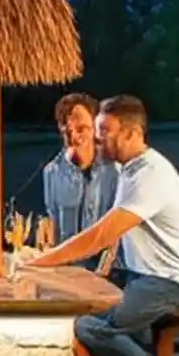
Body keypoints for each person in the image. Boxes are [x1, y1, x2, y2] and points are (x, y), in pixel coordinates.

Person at [22, 94, 179, 356]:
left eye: (104, 131)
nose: (97, 137)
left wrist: (46, 260)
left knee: (92, 327)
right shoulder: (131, 170)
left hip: (172, 281)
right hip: (143, 277)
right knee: (96, 325)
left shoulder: (150, 174)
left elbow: (103, 234)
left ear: (133, 133)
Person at [42, 93, 119, 269]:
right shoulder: (51, 173)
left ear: (94, 128)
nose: (73, 134)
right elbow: (52, 228)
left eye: (81, 128)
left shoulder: (116, 170)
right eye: (66, 128)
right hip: (68, 272)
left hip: (111, 274)